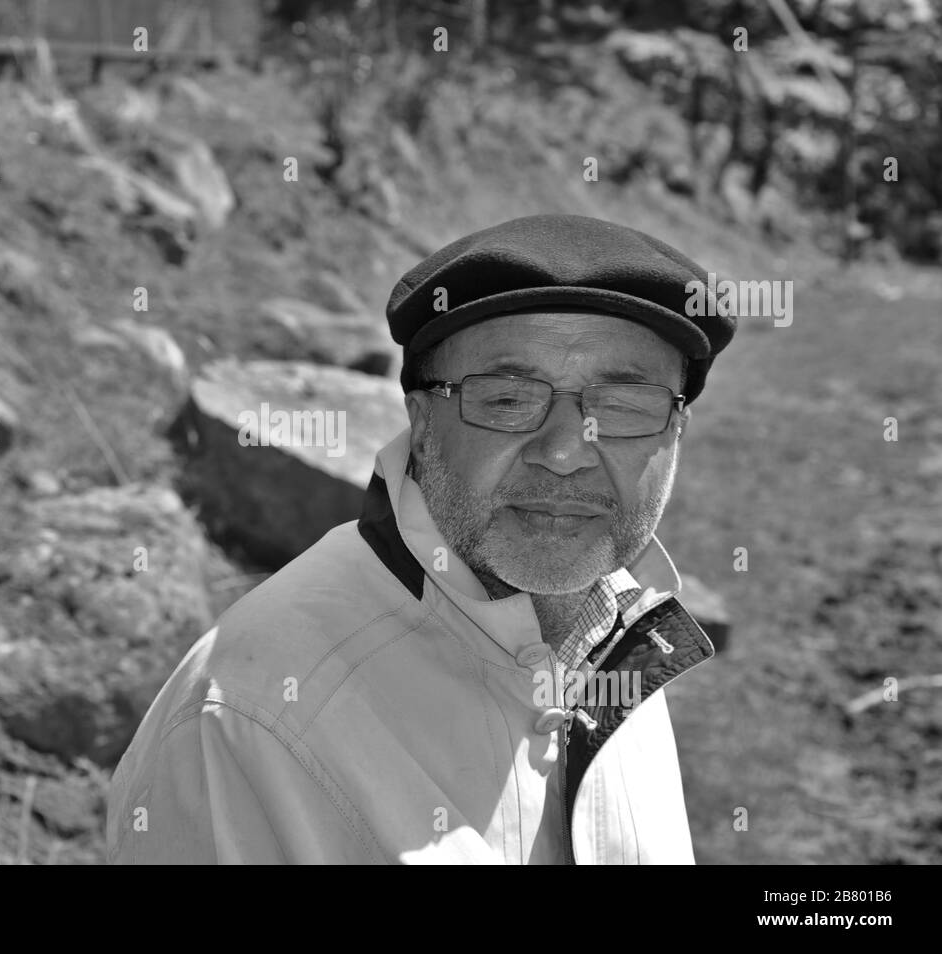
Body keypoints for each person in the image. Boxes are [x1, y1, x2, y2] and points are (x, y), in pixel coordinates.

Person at [107, 213, 736, 864]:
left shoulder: (624, 638)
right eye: (507, 399)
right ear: (419, 420)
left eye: (625, 406)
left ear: (676, 431)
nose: (566, 451)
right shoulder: (249, 711)